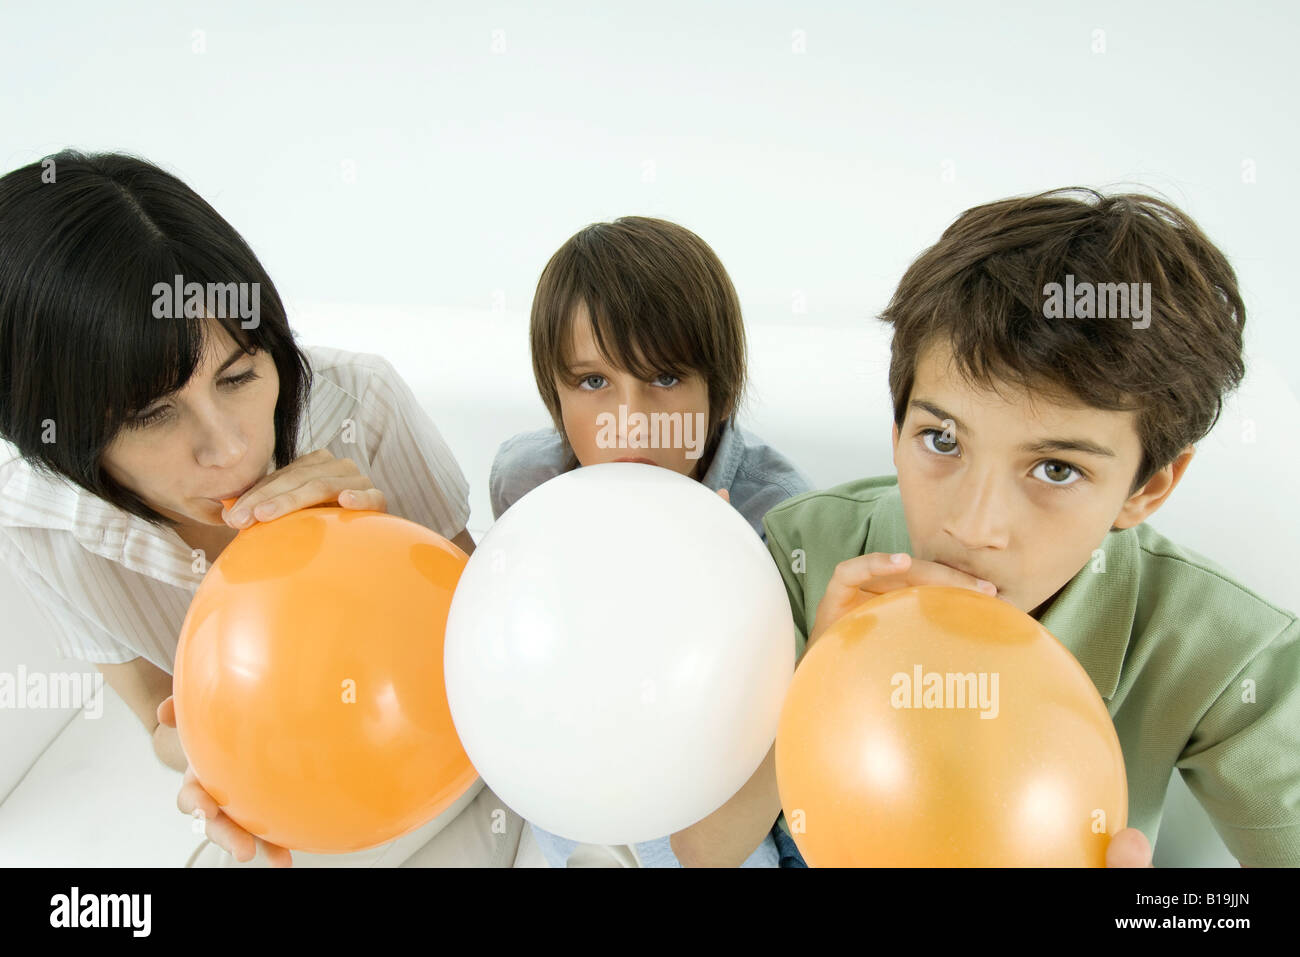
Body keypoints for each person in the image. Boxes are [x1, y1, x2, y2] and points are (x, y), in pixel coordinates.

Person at [698, 187, 1300, 867]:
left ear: (1148, 486)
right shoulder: (803, 555)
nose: (974, 525)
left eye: (1056, 470)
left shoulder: (1231, 654)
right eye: (942, 439)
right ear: (895, 432)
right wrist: (815, 685)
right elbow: (700, 851)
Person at [0, 150, 521, 867]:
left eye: (239, 374)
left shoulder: (360, 407)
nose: (230, 445)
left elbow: (495, 655)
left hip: (457, 767)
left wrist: (367, 530)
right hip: (290, 818)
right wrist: (217, 756)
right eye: (154, 415)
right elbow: (160, 714)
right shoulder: (39, 525)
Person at [490, 215, 814, 867]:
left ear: (720, 393)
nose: (627, 426)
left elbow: (784, 738)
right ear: (555, 395)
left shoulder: (779, 517)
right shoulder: (527, 482)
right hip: (573, 759)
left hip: (722, 781)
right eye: (592, 382)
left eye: (665, 380)